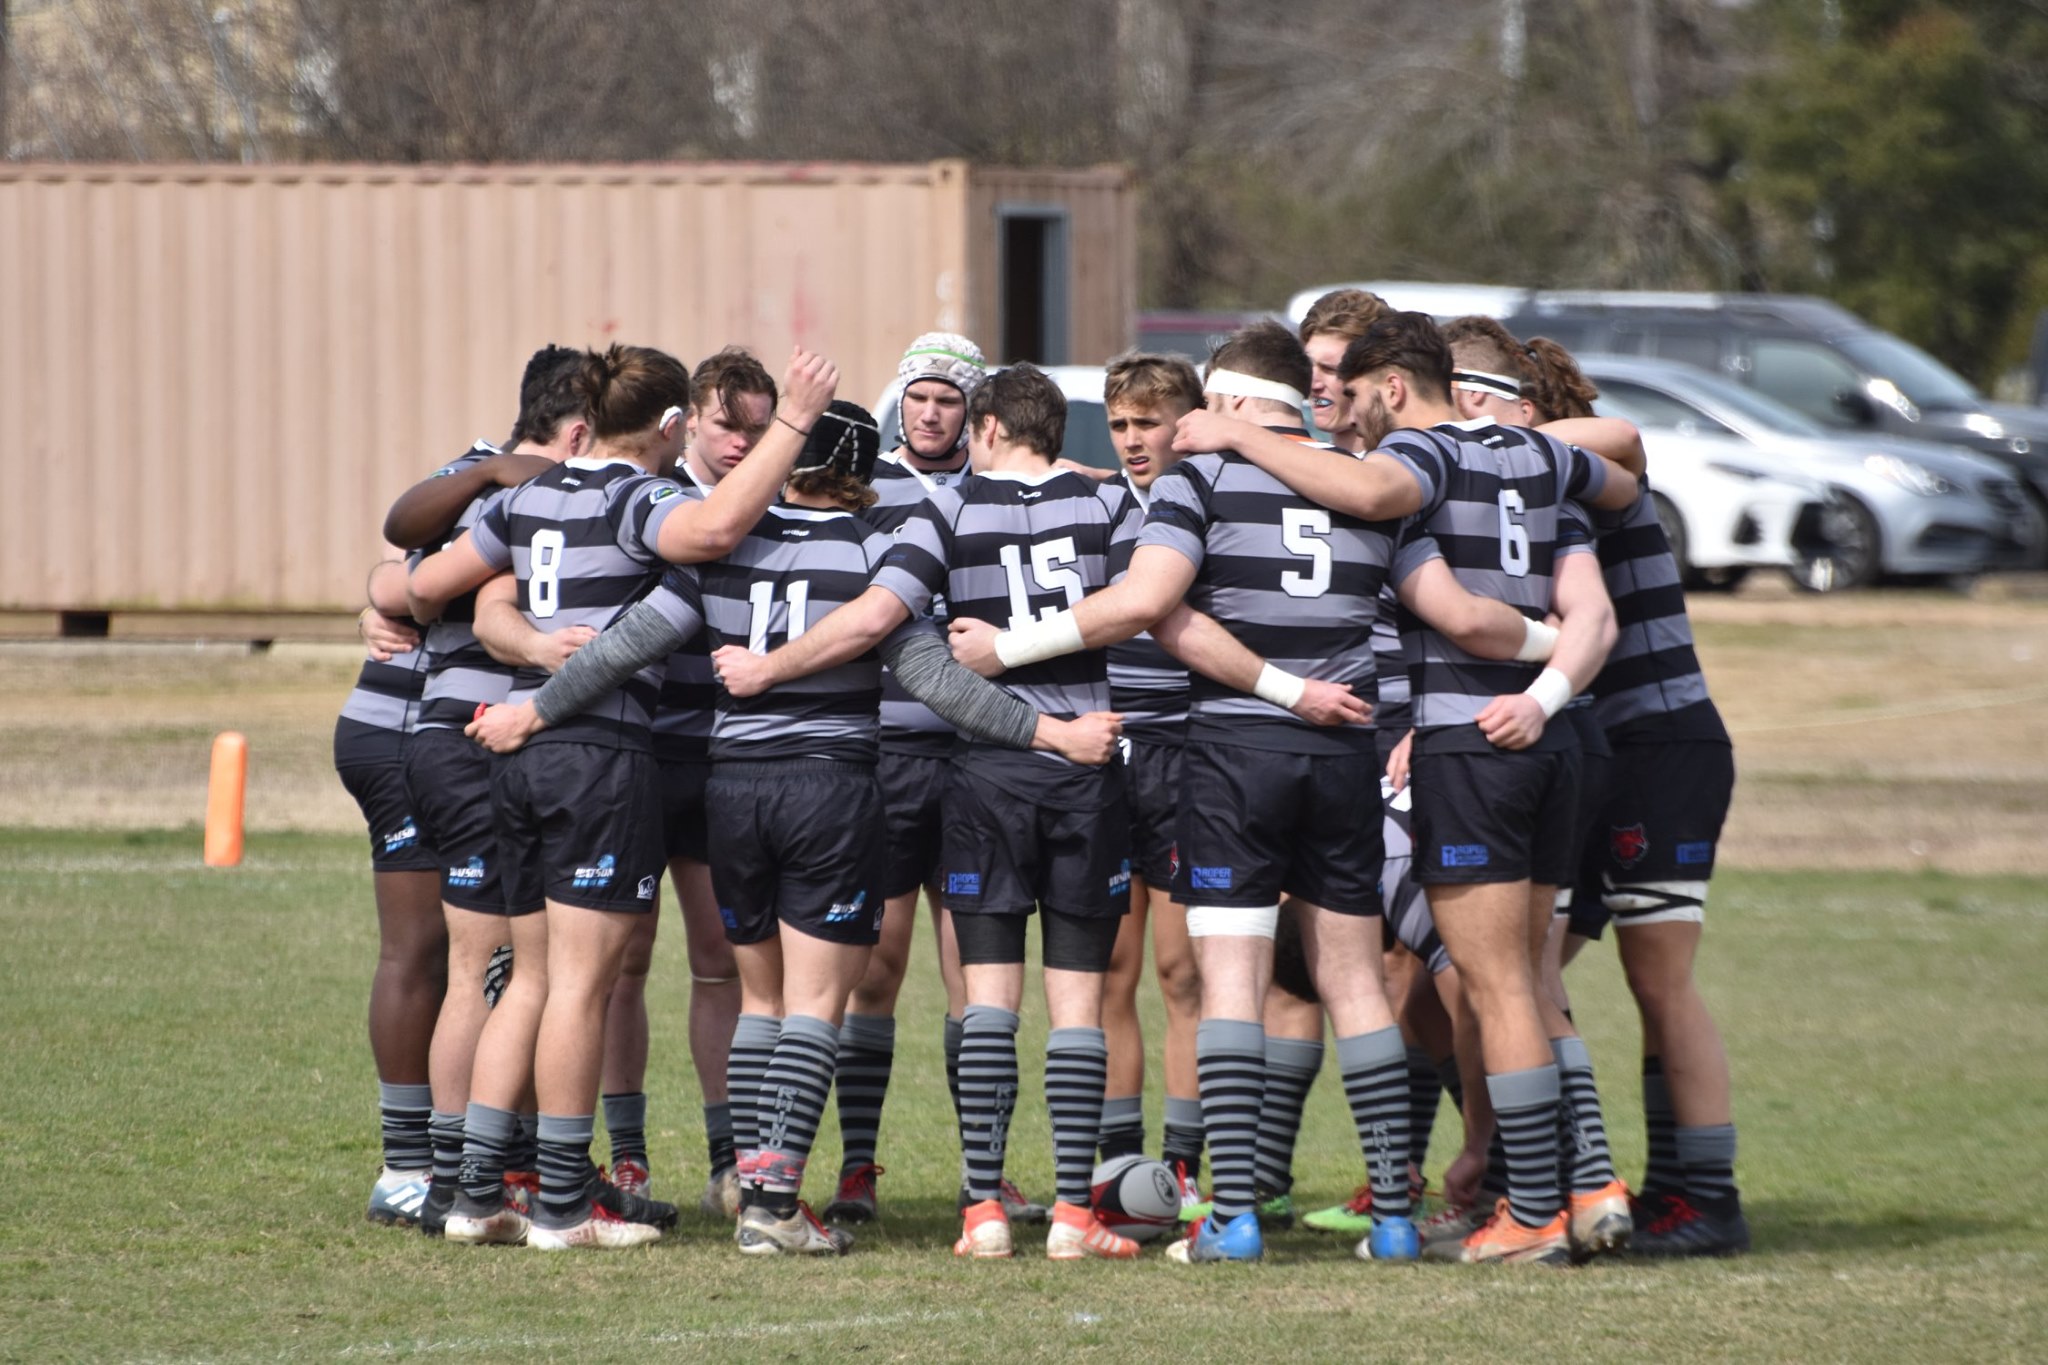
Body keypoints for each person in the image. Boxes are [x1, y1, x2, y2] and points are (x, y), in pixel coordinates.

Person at [947, 321, 1572, 1266]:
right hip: (1344, 755)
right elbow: (1455, 613)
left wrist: (1003, 649)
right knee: (1356, 981)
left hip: (1234, 753)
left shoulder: (1203, 477)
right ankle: (1396, 1218)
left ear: (1233, 402)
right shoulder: (1365, 480)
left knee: (1230, 980)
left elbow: (1150, 604)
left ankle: (1231, 1214)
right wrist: (1557, 646)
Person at [1168, 311, 1641, 1265]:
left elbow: (1430, 574)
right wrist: (1548, 691)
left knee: (1487, 982)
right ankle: (1568, 1188)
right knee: (1516, 980)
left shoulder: (1413, 466)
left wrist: (1235, 431)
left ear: (1393, 386)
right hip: (1556, 741)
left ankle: (1531, 1211)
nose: (1343, 407)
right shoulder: (1541, 465)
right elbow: (1618, 494)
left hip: (1462, 744)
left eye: (1354, 388)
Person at [409, 343, 840, 1250]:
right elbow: (716, 533)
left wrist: (520, 646)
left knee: (528, 978)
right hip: (598, 756)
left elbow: (430, 586)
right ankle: (565, 1202)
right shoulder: (639, 498)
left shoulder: (526, 496)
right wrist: (798, 422)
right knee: (582, 984)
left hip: (523, 759)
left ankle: (477, 1192)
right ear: (671, 426)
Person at [710, 364, 1144, 1262]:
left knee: (986, 997)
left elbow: (882, 614)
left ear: (983, 428)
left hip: (985, 769)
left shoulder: (940, 513)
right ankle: (1072, 1216)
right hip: (1085, 762)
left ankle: (981, 1211)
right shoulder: (1108, 509)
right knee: (1078, 1003)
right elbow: (1151, 604)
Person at [1518, 336, 1751, 1258]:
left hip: (1663, 745)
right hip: (1586, 752)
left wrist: (1503, 441)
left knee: (1660, 979)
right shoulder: (1519, 499)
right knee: (1520, 967)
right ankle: (1575, 1177)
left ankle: (1708, 1196)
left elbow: (1624, 436)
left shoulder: (1601, 469)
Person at [822, 334, 1052, 1227]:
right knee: (873, 968)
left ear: (975, 413)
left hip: (980, 756)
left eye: (948, 401)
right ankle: (857, 1167)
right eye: (917, 397)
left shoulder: (1006, 486)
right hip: (887, 753)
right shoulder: (865, 489)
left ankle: (983, 1174)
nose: (929, 412)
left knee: (977, 973)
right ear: (898, 403)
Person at [384, 346, 591, 1236]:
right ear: (580, 427)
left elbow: (404, 578)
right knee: (491, 965)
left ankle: (461, 1172)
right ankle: (458, 1176)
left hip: (458, 737)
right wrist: (497, 475)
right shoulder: (509, 485)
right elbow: (407, 544)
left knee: (497, 964)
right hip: (474, 736)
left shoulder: (515, 484)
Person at [1089, 353, 1208, 1208]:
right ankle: (1117, 1168)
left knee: (1184, 973)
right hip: (1105, 751)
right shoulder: (1089, 503)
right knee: (1107, 970)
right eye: (1121, 424)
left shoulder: (1214, 499)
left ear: (1186, 421)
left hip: (1187, 752)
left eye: (1149, 422)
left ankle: (1187, 1165)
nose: (1134, 440)